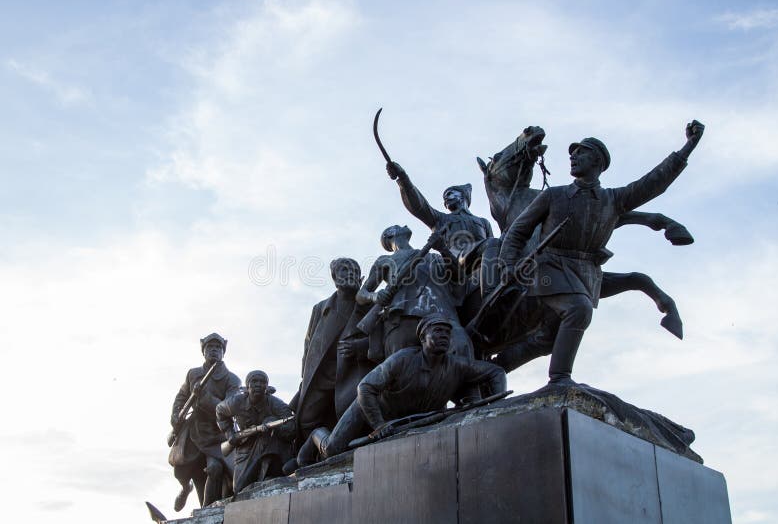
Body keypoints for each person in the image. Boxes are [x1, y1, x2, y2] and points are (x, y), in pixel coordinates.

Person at [498, 121, 705, 386]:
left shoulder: (613, 200)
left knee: (549, 338)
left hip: (587, 271)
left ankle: (495, 368)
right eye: (572, 154)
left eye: (580, 153)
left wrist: (688, 147)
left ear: (596, 161)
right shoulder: (554, 196)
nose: (572, 157)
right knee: (579, 309)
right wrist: (506, 265)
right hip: (550, 267)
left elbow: (653, 183)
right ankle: (560, 379)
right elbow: (518, 231)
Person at [299, 313, 506, 462]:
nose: (444, 336)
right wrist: (379, 425)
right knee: (332, 449)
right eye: (438, 331)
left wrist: (495, 407)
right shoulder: (403, 359)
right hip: (370, 409)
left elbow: (496, 372)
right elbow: (365, 388)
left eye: (447, 332)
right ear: (423, 337)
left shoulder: (457, 366)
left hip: (406, 419)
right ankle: (315, 436)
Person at [356, 225, 473, 363]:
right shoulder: (384, 260)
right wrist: (374, 296)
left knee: (462, 347)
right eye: (398, 227)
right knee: (399, 366)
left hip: (442, 316)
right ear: (389, 235)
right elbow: (361, 295)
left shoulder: (434, 256)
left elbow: (459, 277)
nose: (404, 226)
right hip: (402, 318)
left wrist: (443, 248)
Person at [290, 258, 362, 440]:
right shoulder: (321, 308)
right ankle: (316, 450)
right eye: (345, 270)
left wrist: (359, 347)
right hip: (320, 373)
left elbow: (380, 338)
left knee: (346, 416)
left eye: (355, 270)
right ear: (335, 277)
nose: (351, 273)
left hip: (351, 373)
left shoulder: (368, 305)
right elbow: (308, 343)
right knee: (306, 420)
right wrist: (304, 376)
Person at [169, 333, 241, 508]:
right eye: (210, 347)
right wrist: (175, 415)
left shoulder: (232, 379)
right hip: (194, 430)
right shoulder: (193, 374)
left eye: (218, 347)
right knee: (181, 471)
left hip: (218, 433)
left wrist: (206, 397)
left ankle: (208, 509)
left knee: (215, 469)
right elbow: (181, 397)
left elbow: (228, 408)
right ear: (203, 351)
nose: (214, 350)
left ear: (223, 352)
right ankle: (186, 488)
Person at [216, 370, 294, 494]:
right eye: (254, 381)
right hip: (245, 446)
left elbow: (291, 426)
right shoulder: (236, 402)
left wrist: (272, 424)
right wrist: (230, 434)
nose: (258, 385)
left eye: (262, 382)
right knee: (238, 488)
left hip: (268, 443)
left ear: (267, 386)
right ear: (248, 385)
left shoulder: (275, 403)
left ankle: (268, 477)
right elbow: (220, 411)